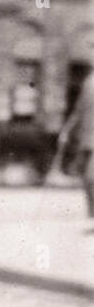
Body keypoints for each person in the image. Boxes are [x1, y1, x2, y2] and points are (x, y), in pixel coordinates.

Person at [58, 71, 94, 219]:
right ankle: (92, 214)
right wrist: (66, 130)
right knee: (86, 179)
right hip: (86, 139)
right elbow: (78, 110)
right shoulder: (89, 81)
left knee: (91, 177)